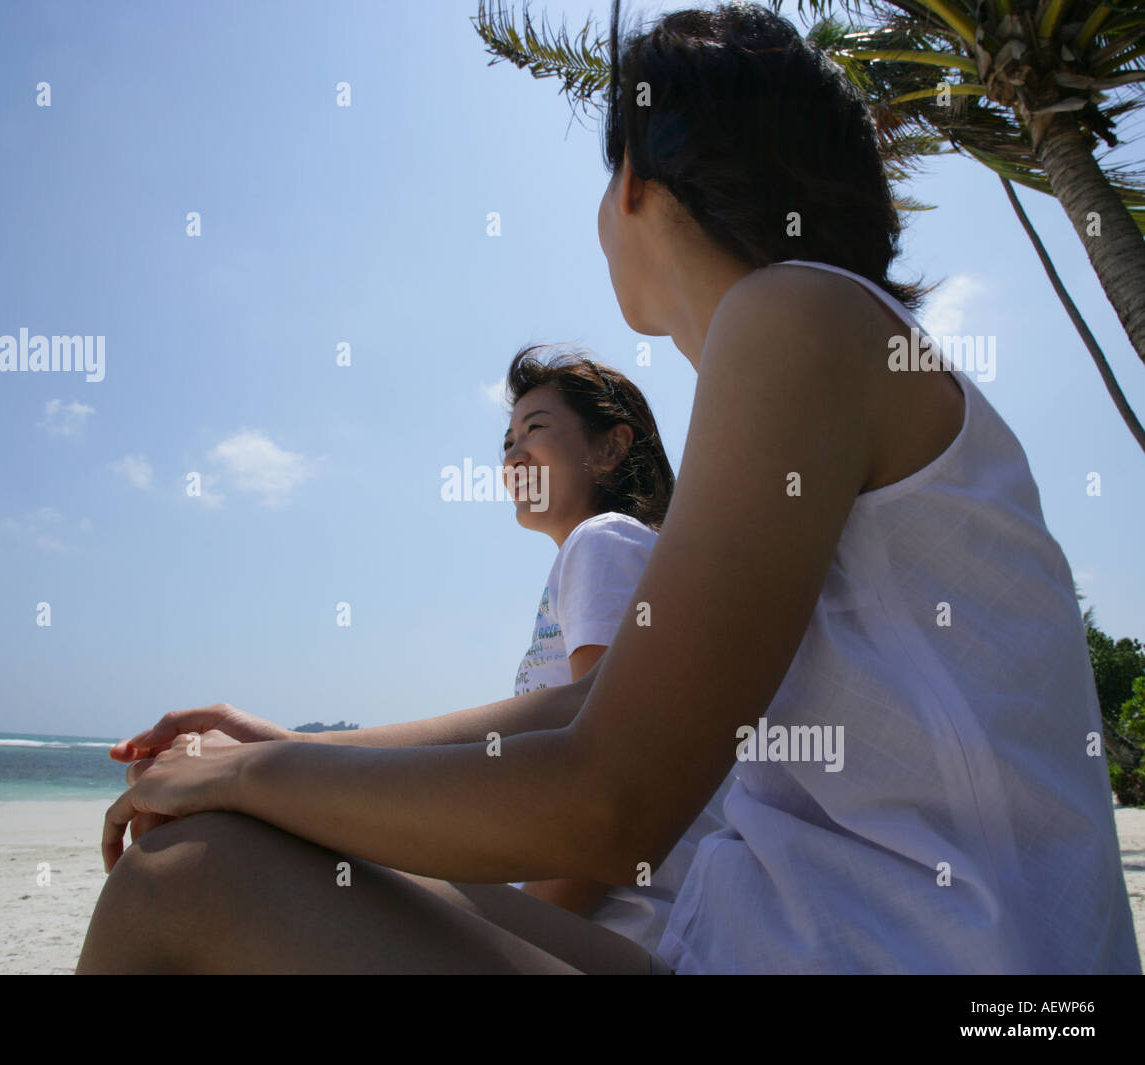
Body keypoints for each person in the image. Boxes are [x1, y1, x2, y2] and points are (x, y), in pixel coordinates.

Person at [77, 1, 1141, 974]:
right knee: (248, 843)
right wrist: (285, 749)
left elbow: (608, 799)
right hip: (781, 947)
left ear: (632, 179)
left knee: (190, 874)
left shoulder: (795, 317)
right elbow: (595, 704)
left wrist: (240, 780)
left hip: (936, 963)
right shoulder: (824, 340)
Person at [498, 344, 734, 956]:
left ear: (609, 447)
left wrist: (510, 933)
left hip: (627, 930)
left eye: (536, 429)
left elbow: (620, 784)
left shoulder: (602, 544)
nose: (513, 453)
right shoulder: (611, 556)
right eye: (507, 441)